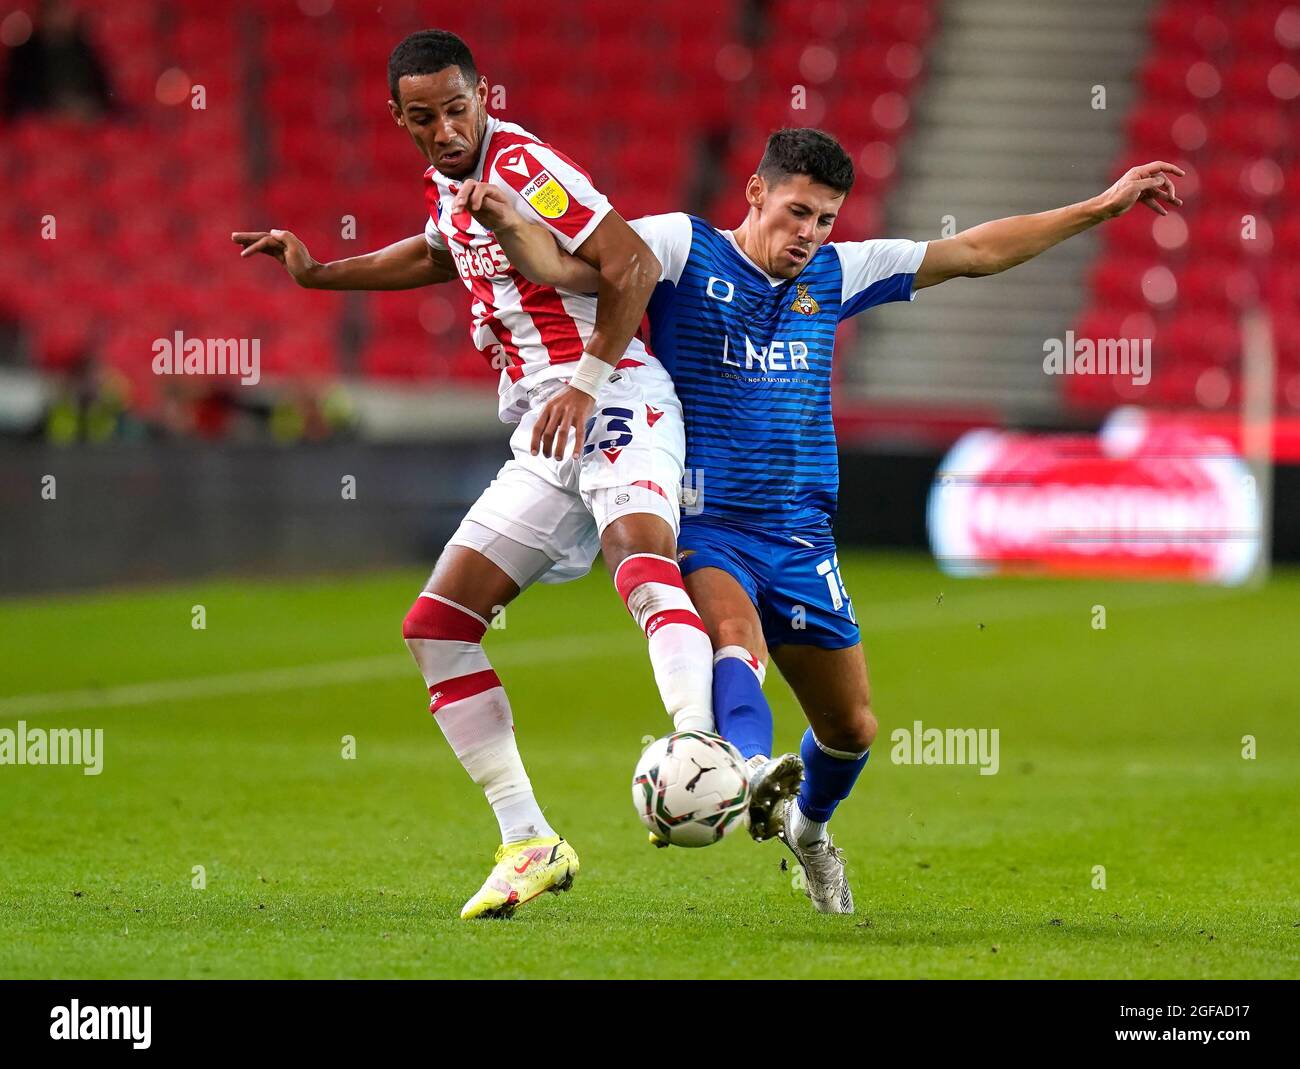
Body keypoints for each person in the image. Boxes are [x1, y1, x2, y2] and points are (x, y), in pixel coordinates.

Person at [451, 128, 1183, 913]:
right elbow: (572, 268)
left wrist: (1101, 208)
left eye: (826, 219)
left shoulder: (839, 272)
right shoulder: (680, 246)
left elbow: (974, 251)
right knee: (736, 637)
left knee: (852, 727)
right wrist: (510, 225)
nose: (811, 233)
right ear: (757, 193)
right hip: (705, 518)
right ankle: (750, 765)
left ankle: (808, 829)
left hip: (800, 535)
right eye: (799, 211)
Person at [233, 29, 745, 920]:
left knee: (640, 562)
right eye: (422, 117)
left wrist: (586, 382)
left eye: (456, 108)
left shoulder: (526, 165)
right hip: (544, 429)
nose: (444, 129)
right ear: (399, 118)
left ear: (484, 95)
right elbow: (439, 253)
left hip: (613, 390)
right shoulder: (449, 183)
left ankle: (700, 747)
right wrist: (320, 275)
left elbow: (633, 263)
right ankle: (529, 838)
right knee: (436, 626)